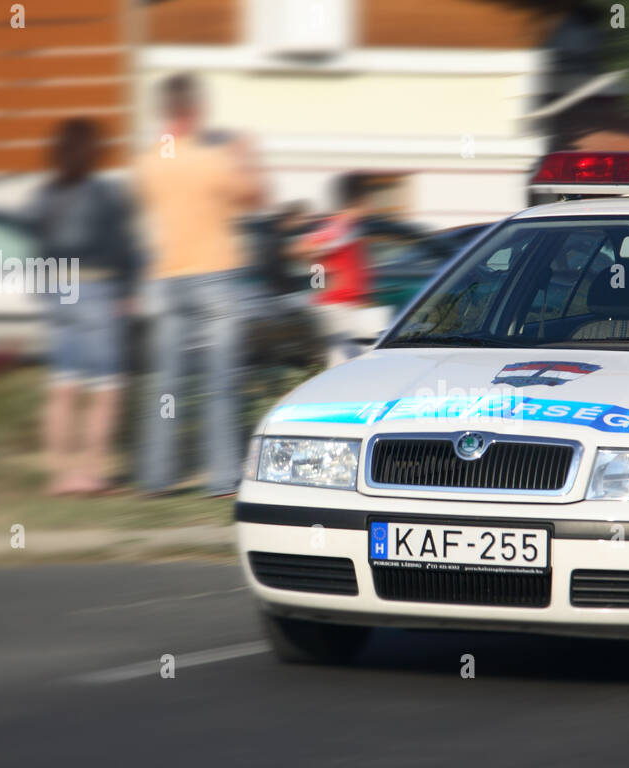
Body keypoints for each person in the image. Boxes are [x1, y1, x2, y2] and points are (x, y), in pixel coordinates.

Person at [136, 74, 265, 497]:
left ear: (165, 111)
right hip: (216, 276)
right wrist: (246, 157)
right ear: (195, 111)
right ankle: (221, 476)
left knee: (166, 386)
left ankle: (156, 477)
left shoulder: (148, 162)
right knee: (220, 382)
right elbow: (256, 197)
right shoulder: (217, 160)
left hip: (168, 280)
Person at [31, 117, 140, 495]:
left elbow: (35, 245)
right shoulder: (105, 192)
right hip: (96, 287)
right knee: (107, 389)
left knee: (63, 387)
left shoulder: (44, 194)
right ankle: (91, 473)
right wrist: (129, 288)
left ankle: (60, 476)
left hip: (56, 288)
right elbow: (122, 246)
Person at [291, 173, 374, 366]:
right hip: (337, 306)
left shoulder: (350, 226)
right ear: (360, 199)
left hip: (344, 305)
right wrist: (320, 278)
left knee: (347, 364)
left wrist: (319, 276)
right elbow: (303, 248)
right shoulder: (342, 226)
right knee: (345, 365)